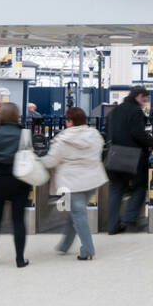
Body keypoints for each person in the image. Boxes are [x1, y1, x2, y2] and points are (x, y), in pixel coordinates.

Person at [39, 106, 107, 261]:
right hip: (92, 180)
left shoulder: (62, 139)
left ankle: (88, 250)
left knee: (78, 214)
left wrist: (36, 160)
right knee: (76, 212)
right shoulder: (94, 135)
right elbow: (99, 151)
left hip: (72, 182)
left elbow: (51, 161)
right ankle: (65, 245)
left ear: (70, 121)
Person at [0, 102, 31, 268]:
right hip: (19, 180)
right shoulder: (24, 134)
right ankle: (19, 259)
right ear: (17, 116)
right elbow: (29, 156)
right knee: (18, 220)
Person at [105, 86, 153, 235]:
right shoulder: (136, 111)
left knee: (116, 189)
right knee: (140, 186)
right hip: (132, 155)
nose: (144, 102)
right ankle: (129, 218)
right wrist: (151, 140)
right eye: (144, 98)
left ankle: (112, 226)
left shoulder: (115, 110)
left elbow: (108, 131)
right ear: (138, 96)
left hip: (114, 154)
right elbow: (137, 133)